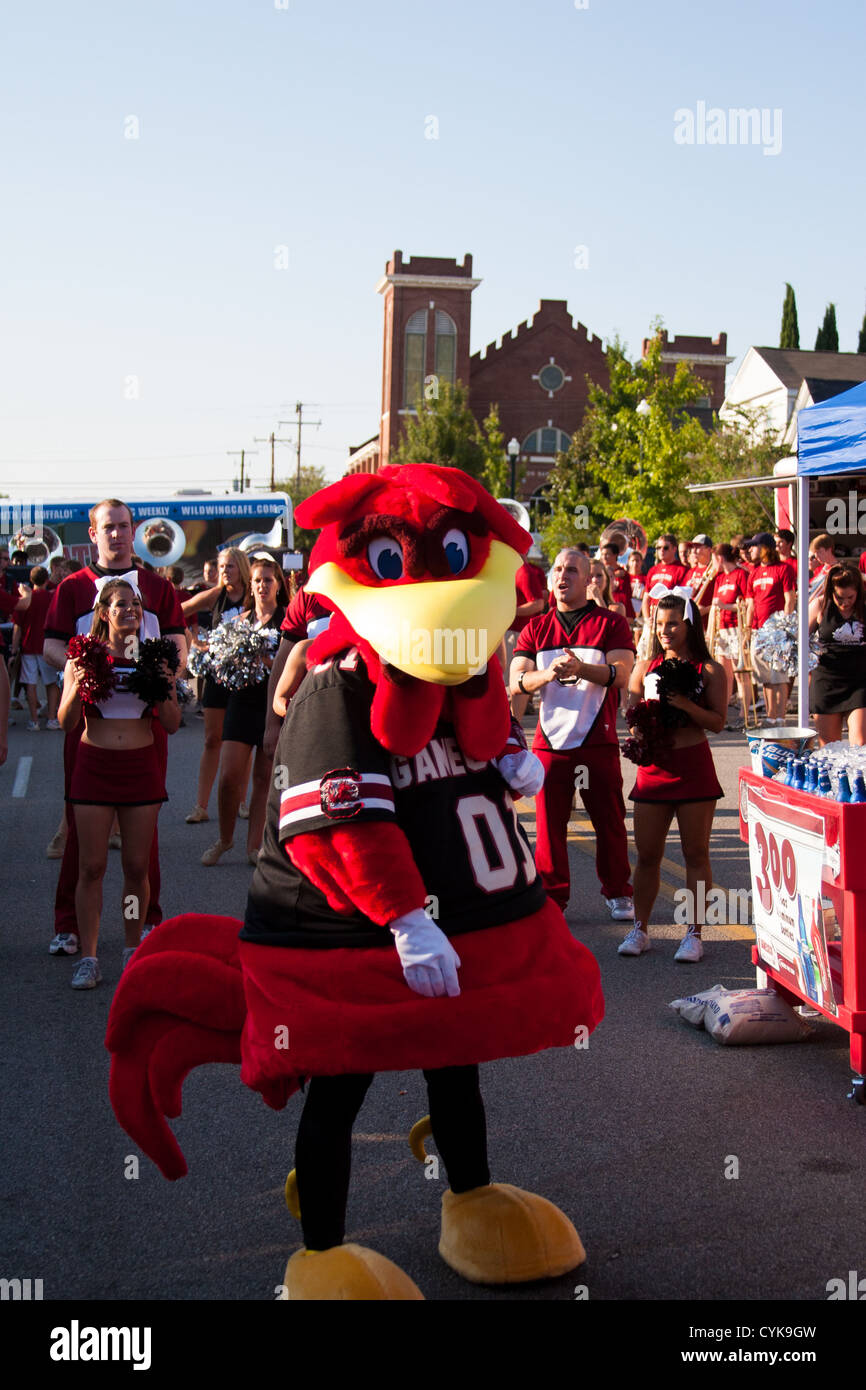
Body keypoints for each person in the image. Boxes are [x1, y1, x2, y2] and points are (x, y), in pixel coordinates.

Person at [42, 499, 186, 954]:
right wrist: (86, 672)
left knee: (142, 845)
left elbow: (177, 646)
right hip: (92, 728)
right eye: (109, 527)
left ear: (134, 531)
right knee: (84, 839)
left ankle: (145, 923)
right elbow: (50, 646)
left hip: (145, 730)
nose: (118, 534)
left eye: (125, 527)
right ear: (94, 533)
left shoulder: (158, 589)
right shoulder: (71, 588)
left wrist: (158, 677)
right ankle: (70, 927)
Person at [58, 577, 181, 988]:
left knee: (134, 867)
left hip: (140, 769)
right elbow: (66, 721)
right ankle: (90, 957)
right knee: (91, 867)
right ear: (104, 613)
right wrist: (78, 683)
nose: (130, 611)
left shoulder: (155, 657)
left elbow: (173, 723)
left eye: (135, 605)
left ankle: (131, 948)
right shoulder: (83, 657)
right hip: (94, 766)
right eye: (120, 605)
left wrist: (165, 683)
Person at [511, 548, 635, 920]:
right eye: (558, 570)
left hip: (597, 737)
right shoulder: (535, 627)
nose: (563, 576)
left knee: (609, 821)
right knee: (549, 829)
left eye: (572, 570)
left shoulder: (610, 623)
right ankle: (553, 897)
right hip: (550, 743)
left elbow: (622, 674)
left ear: (589, 579)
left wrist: (582, 668)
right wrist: (548, 674)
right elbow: (516, 681)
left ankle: (618, 892)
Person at [621, 592, 725, 962]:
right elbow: (630, 715)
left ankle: (694, 935)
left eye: (673, 624)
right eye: (660, 624)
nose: (664, 630)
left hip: (693, 767)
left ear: (690, 625)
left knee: (695, 852)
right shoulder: (643, 668)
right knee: (647, 855)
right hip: (654, 769)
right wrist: (639, 730)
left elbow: (718, 722)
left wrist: (684, 704)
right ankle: (640, 930)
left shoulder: (710, 670)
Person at [201, 556, 287, 866]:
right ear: (250, 585)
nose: (263, 585)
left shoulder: (288, 621)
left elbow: (293, 664)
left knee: (264, 779)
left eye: (268, 579)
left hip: (272, 708)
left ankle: (254, 847)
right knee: (229, 778)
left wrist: (266, 662)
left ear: (278, 583)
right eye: (257, 580)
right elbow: (220, 666)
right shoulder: (237, 622)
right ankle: (225, 840)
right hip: (241, 704)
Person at [181, 548, 251, 822]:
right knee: (212, 739)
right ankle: (201, 806)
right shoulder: (215, 595)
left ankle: (242, 802)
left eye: (230, 566)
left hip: (247, 678)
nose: (224, 571)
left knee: (241, 741)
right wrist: (193, 640)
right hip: (217, 676)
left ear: (242, 568)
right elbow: (178, 611)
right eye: (222, 565)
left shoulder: (251, 595)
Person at [809, 564, 866, 747]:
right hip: (827, 682)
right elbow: (798, 639)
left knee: (860, 744)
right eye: (839, 597)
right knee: (830, 748)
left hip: (859, 682)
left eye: (850, 597)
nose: (845, 602)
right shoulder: (820, 605)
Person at [745, 534, 796, 725]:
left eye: (754, 546)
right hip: (759, 630)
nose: (750, 550)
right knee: (764, 678)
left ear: (765, 547)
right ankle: (770, 716)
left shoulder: (784, 568)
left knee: (779, 677)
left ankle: (780, 717)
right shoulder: (754, 572)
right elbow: (751, 604)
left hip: (776, 630)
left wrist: (785, 626)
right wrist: (748, 630)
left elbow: (790, 598)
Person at [11, 566, 60, 729]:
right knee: (51, 683)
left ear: (31, 581)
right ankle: (52, 719)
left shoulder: (26, 598)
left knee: (30, 684)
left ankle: (34, 721)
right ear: (47, 580)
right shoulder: (52, 598)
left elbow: (18, 627)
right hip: (47, 645)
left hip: (28, 647)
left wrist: (13, 649)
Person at [709, 543, 751, 726]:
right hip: (722, 628)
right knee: (723, 674)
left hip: (736, 627)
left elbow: (746, 604)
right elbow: (714, 605)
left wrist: (726, 607)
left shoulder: (740, 574)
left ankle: (744, 712)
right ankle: (722, 711)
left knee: (739, 671)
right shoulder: (720, 578)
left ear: (719, 558)